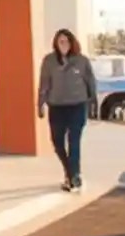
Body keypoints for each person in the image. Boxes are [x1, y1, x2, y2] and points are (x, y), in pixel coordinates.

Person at [37, 28, 97, 193]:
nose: (64, 44)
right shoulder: (49, 61)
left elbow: (91, 82)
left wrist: (93, 103)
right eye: (60, 41)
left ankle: (74, 177)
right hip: (56, 107)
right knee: (57, 142)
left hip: (77, 105)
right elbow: (44, 84)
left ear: (72, 43)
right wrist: (40, 103)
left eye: (66, 41)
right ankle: (70, 172)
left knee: (74, 142)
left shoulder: (81, 61)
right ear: (56, 43)